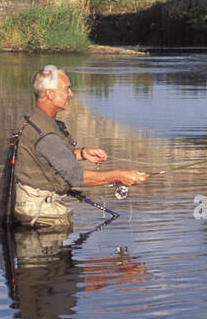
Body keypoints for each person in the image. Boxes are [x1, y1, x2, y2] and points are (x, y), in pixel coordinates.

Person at [13, 65, 147, 229]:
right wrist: (118, 175)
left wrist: (81, 153)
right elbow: (76, 177)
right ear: (50, 94)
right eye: (67, 89)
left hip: (32, 207)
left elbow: (44, 158)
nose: (71, 94)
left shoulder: (36, 121)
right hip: (41, 214)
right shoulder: (46, 134)